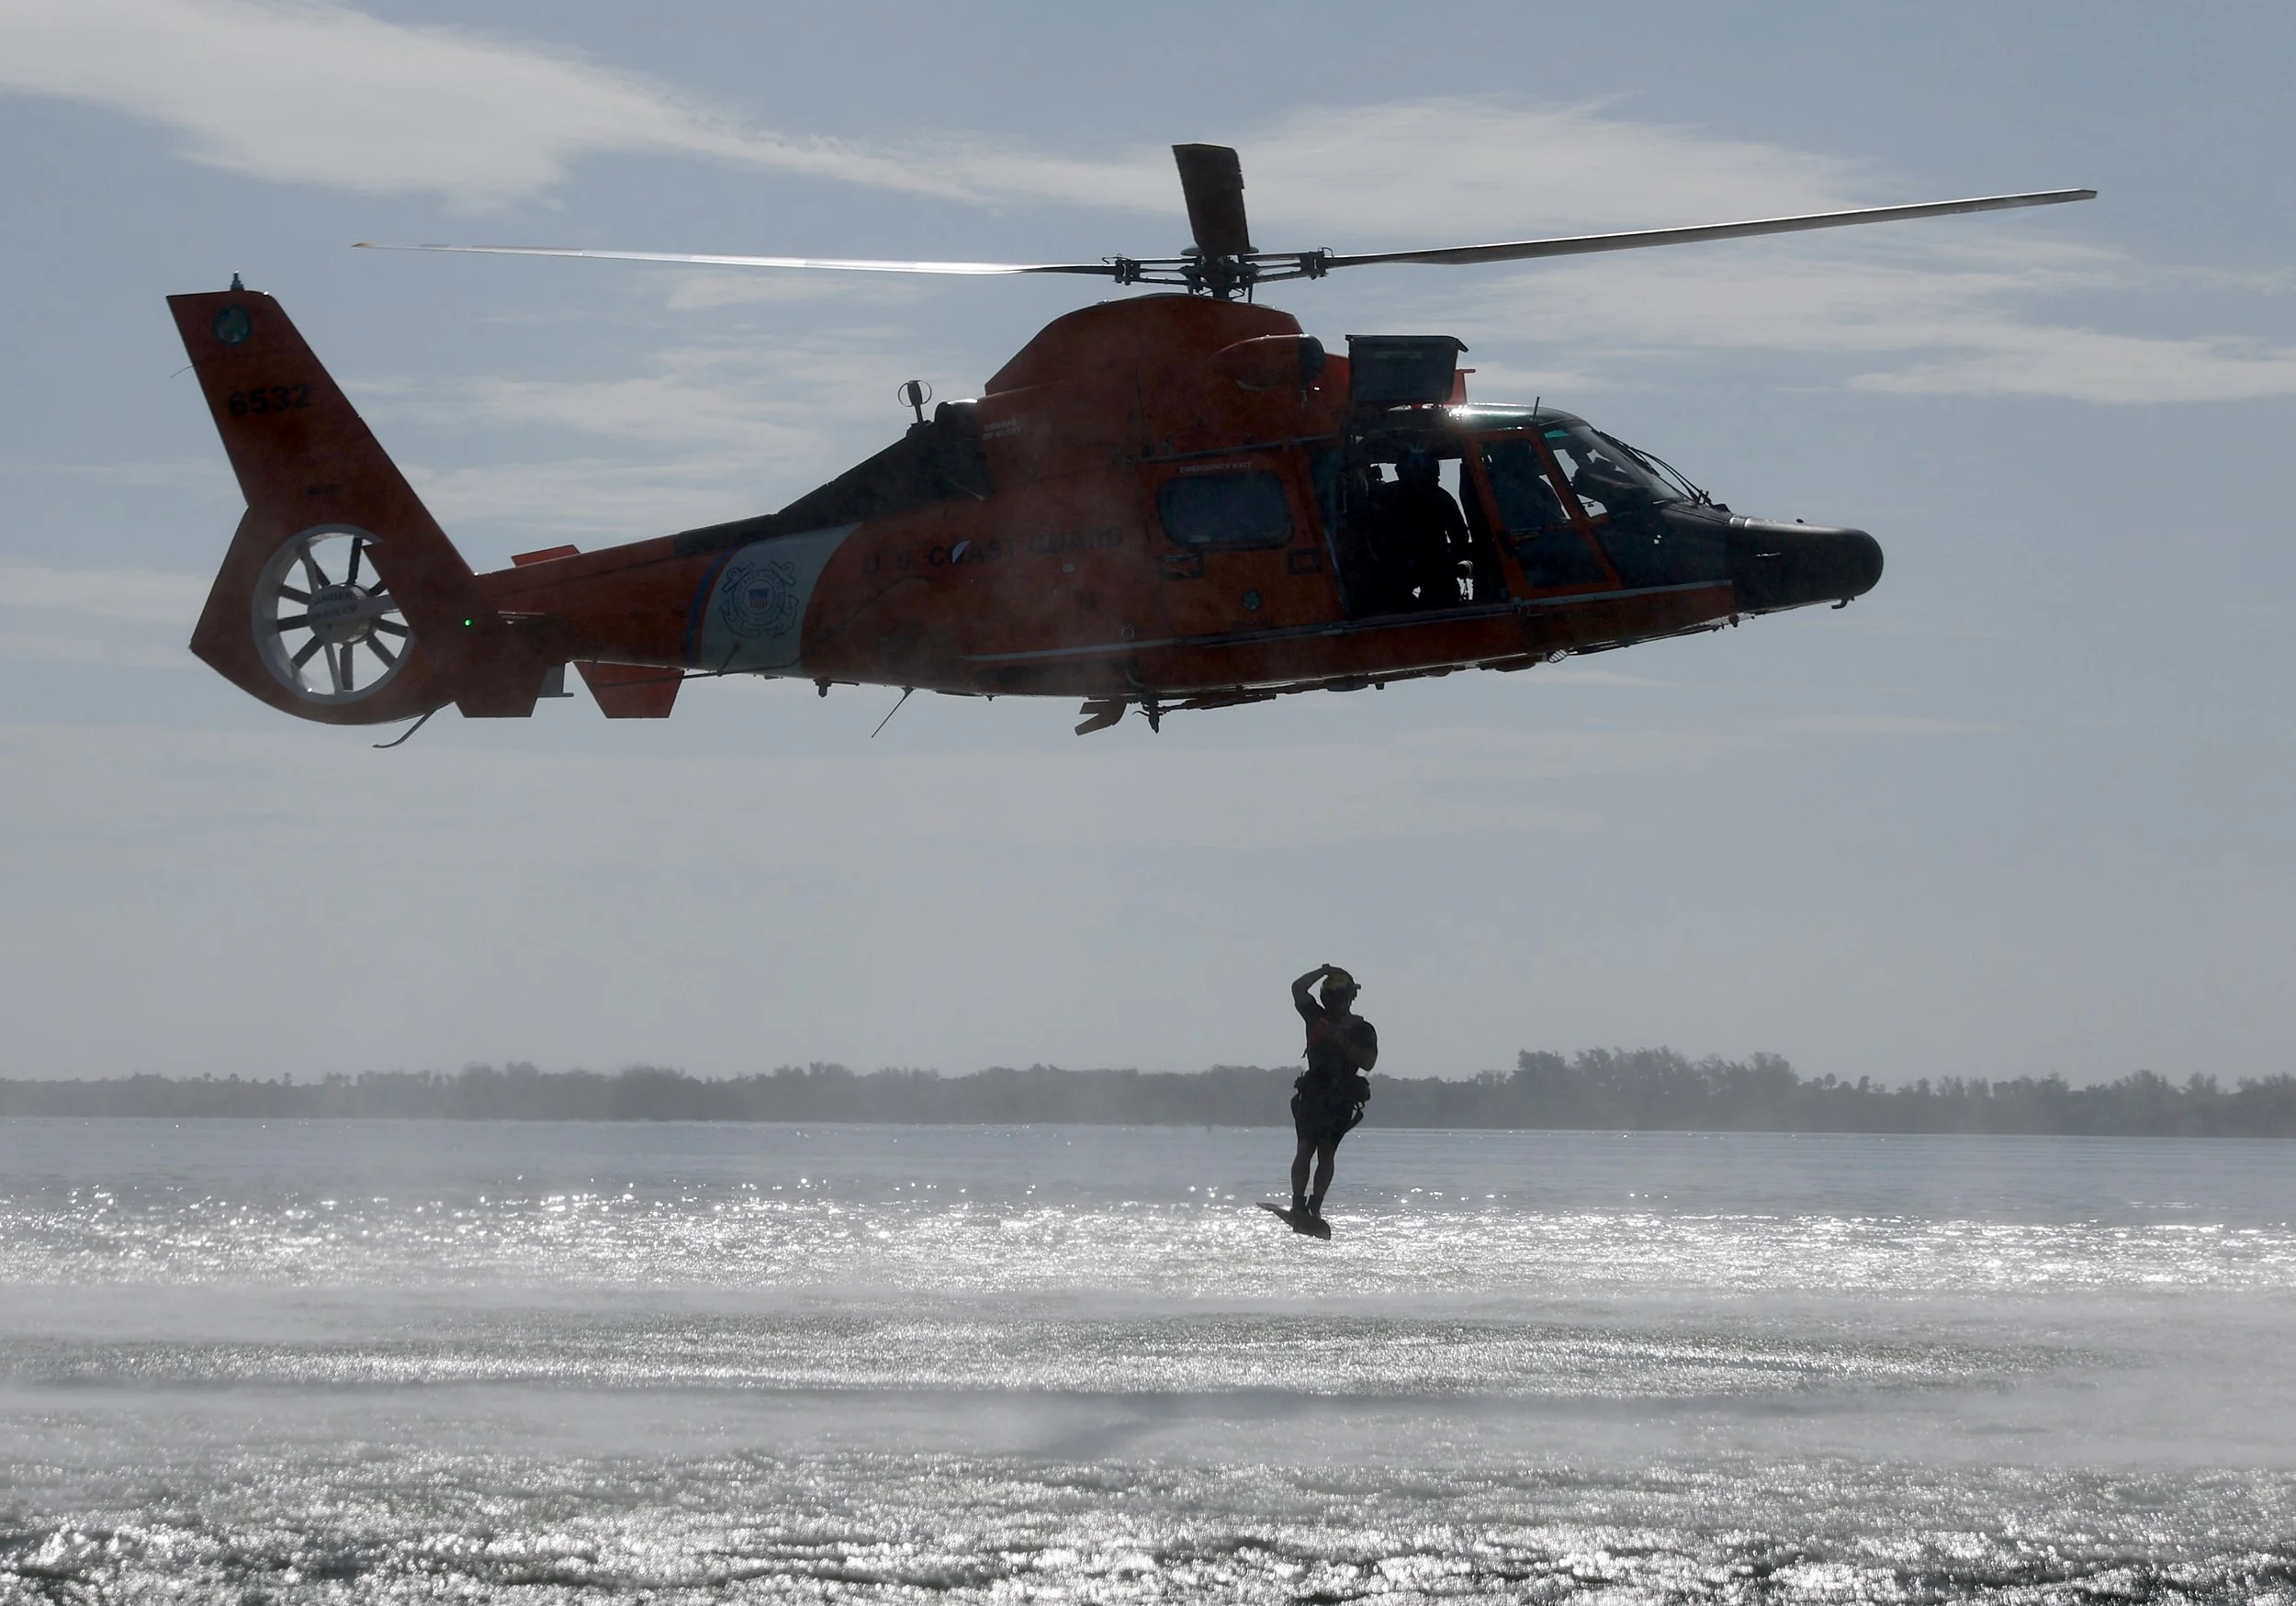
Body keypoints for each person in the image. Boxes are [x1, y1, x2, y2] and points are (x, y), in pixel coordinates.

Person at [1289, 963, 1378, 1221]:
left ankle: (1315, 1206)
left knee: (1326, 1150)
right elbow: (1298, 988)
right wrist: (1323, 970)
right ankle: (1298, 1203)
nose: (1333, 1001)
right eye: (1330, 996)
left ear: (1349, 997)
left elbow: (1368, 1062)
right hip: (1314, 1092)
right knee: (1305, 1147)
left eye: (1338, 996)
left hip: (1341, 1097)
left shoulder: (1362, 1029)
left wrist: (1342, 1041)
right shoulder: (1316, 1017)